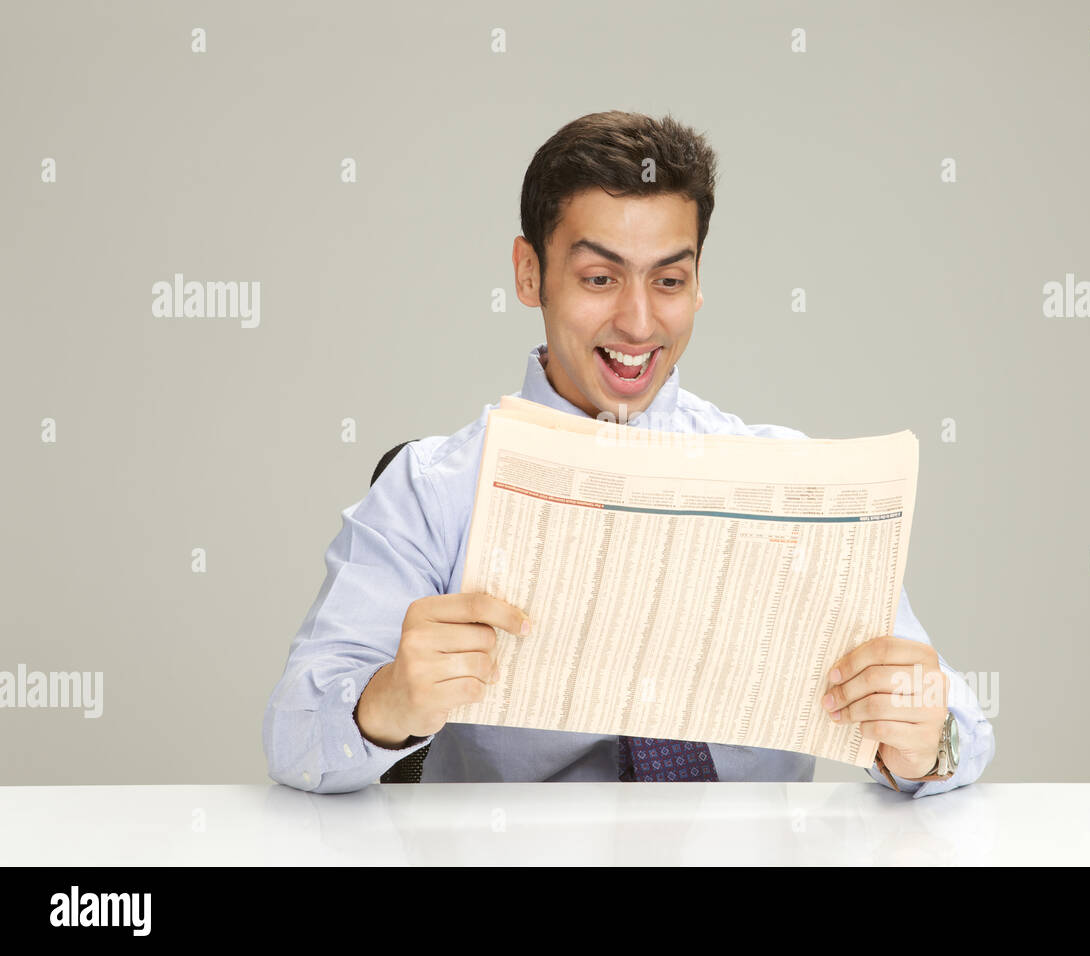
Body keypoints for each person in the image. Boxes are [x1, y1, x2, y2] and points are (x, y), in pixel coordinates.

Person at [262, 110, 994, 795]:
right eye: (599, 278)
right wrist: (385, 703)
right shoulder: (432, 488)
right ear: (529, 273)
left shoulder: (789, 484)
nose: (639, 321)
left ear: (699, 283)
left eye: (669, 280)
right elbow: (293, 737)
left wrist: (928, 741)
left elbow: (960, 723)